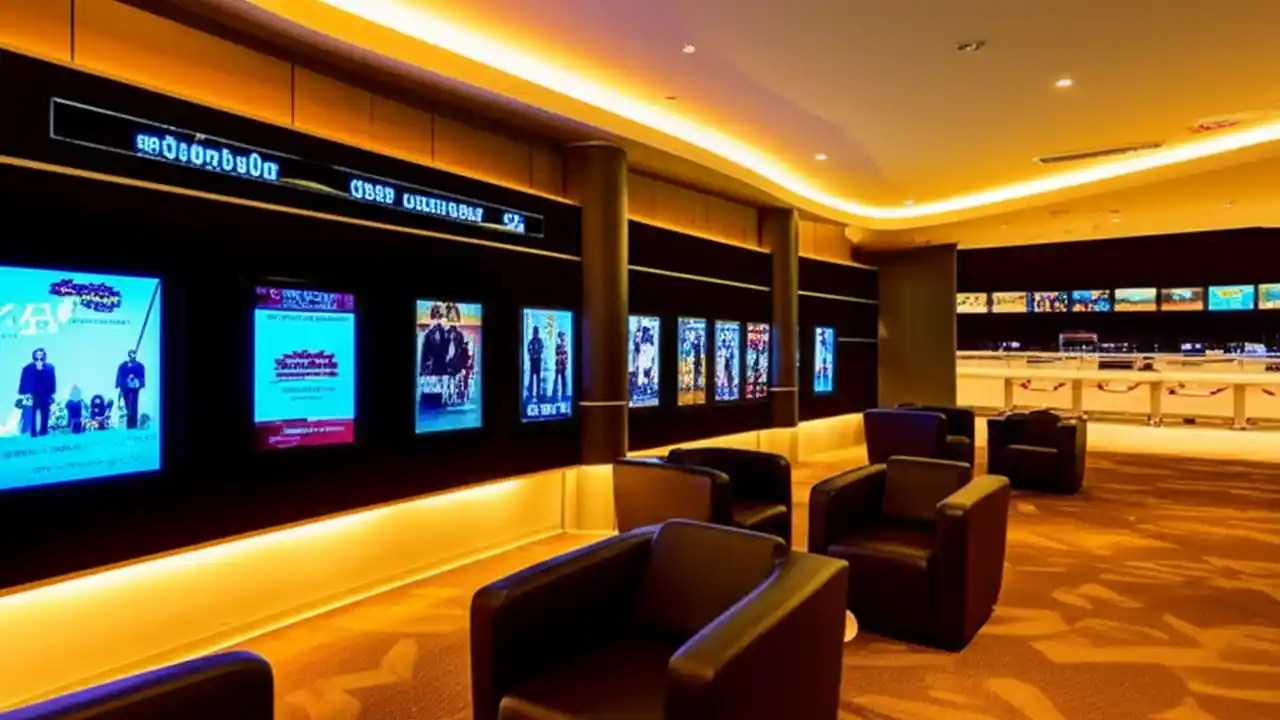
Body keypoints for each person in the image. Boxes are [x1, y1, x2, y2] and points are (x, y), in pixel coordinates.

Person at [18, 348, 56, 438]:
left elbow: (52, 381)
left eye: (41, 354)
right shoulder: (28, 367)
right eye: (37, 354)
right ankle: (33, 433)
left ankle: (44, 431)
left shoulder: (50, 367)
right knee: (32, 414)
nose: (39, 356)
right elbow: (24, 380)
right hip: (32, 394)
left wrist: (51, 393)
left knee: (45, 413)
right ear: (34, 355)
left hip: (45, 394)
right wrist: (23, 392)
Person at [116, 349, 147, 430]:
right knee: (127, 407)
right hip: (125, 388)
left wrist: (139, 383)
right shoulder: (123, 365)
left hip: (134, 389)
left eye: (133, 354)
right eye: (131, 354)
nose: (132, 356)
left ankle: (133, 425)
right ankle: (128, 425)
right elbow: (119, 375)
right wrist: (119, 386)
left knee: (134, 406)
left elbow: (141, 376)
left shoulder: (139, 365)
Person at [526, 326, 544, 401]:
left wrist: (537, 354)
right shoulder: (531, 341)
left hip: (538, 361)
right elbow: (529, 349)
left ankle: (538, 394)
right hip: (533, 362)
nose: (535, 334)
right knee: (531, 378)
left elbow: (541, 349)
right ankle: (530, 393)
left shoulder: (540, 341)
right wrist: (532, 354)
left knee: (538, 378)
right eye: (534, 332)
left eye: (536, 332)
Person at [553, 330, 568, 401]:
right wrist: (560, 364)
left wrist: (565, 362)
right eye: (562, 336)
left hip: (563, 365)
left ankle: (563, 394)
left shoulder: (564, 345)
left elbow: (565, 356)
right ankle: (555, 394)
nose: (564, 337)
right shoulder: (559, 345)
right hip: (559, 365)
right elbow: (558, 354)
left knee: (563, 380)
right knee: (557, 379)